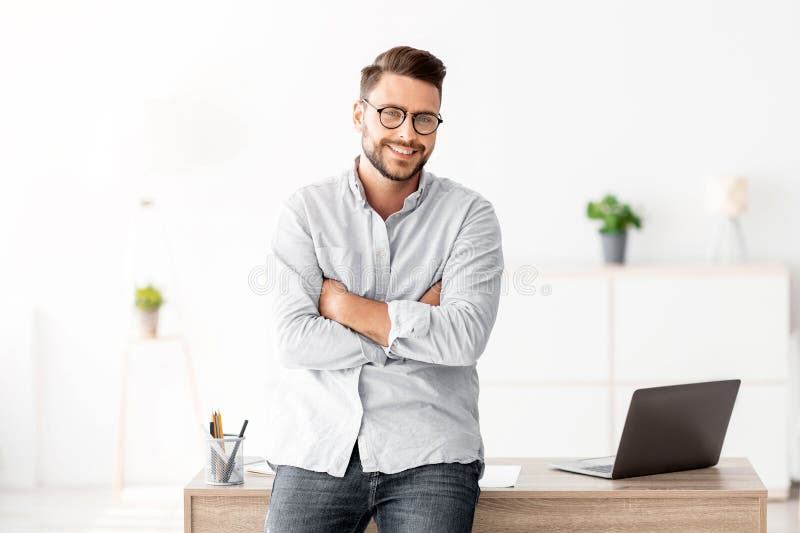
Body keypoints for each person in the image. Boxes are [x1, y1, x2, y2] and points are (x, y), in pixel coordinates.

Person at [264, 45, 504, 533]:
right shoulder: (305, 213)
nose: (407, 133)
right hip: (318, 447)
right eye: (391, 113)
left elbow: (463, 339)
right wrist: (410, 323)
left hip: (431, 450)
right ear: (360, 114)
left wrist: (342, 306)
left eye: (424, 119)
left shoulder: (469, 217)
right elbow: (294, 340)